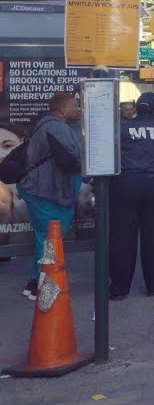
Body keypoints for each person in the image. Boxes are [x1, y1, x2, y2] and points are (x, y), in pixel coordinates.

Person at [110, 92, 154, 300]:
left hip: (125, 184)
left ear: (136, 108)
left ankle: (118, 289)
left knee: (123, 237)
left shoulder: (122, 128)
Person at [17, 93, 83, 301]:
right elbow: (71, 159)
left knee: (43, 238)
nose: (79, 108)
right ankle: (43, 286)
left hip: (39, 191)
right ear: (63, 110)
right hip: (47, 193)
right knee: (50, 240)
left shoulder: (46, 125)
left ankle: (36, 281)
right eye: (75, 105)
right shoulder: (58, 128)